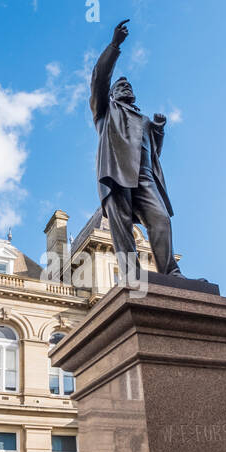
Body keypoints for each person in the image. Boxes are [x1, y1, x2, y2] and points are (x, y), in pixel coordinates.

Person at [90, 18, 182, 281]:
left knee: (161, 219)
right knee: (122, 228)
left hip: (144, 177)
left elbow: (152, 154)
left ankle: (171, 272)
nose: (126, 87)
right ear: (112, 94)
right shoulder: (106, 112)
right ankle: (131, 275)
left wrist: (160, 130)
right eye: (121, 86)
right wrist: (114, 46)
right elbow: (99, 78)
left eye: (129, 85)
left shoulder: (143, 120)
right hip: (117, 173)